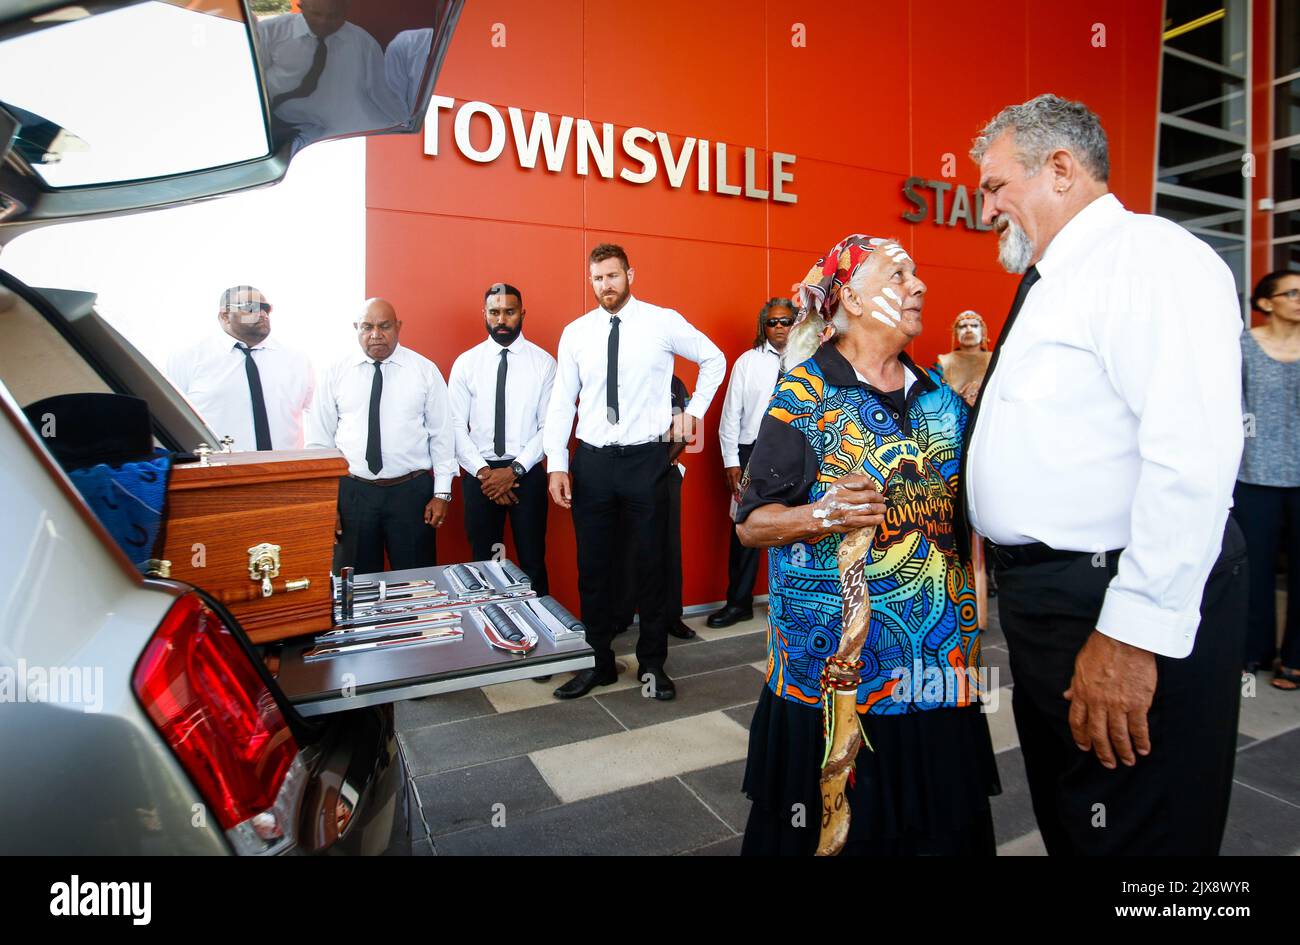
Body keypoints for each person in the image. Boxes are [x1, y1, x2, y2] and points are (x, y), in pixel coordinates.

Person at [962, 94, 1247, 855]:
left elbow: (1192, 455)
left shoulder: (1150, 257)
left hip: (1112, 601)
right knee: (1080, 815)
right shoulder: (1054, 279)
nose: (985, 207)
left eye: (994, 186)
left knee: (1137, 831)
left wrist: (1131, 634)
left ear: (1061, 168)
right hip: (1051, 604)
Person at [736, 234, 996, 856]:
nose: (919, 286)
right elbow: (751, 521)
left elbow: (966, 521)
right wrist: (823, 513)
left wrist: (977, 597)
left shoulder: (939, 399)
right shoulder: (803, 396)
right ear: (850, 297)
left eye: (917, 274)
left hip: (935, 675)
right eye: (897, 275)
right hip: (833, 681)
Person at [544, 243, 725, 701]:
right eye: (597, 278)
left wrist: (692, 414)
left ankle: (652, 666)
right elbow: (563, 402)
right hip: (594, 461)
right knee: (594, 569)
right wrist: (558, 464)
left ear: (630, 275)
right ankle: (599, 663)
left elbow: (714, 359)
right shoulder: (576, 333)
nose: (605, 285)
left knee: (651, 565)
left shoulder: (662, 322)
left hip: (648, 460)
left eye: (612, 275)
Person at [306, 298, 456, 575]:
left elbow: (443, 436)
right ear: (356, 328)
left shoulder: (424, 371)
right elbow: (319, 442)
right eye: (367, 327)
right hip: (353, 493)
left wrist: (442, 494)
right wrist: (324, 503)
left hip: (411, 494)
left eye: (384, 326)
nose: (376, 334)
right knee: (355, 584)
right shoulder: (335, 372)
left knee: (417, 581)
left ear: (398, 327)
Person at [447, 283, 556, 593]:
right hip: (479, 475)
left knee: (533, 560)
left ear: (522, 313)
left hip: (526, 473)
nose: (502, 319)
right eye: (495, 312)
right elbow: (454, 424)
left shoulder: (544, 364)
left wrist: (513, 471)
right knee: (483, 563)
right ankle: (491, 630)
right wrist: (486, 475)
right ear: (484, 314)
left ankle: (544, 630)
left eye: (509, 312)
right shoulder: (466, 363)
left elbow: (550, 426)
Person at [708, 298, 792, 629]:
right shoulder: (747, 362)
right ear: (763, 326)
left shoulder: (810, 361)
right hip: (752, 452)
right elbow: (730, 416)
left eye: (786, 321)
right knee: (744, 528)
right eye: (773, 322)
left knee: (793, 529)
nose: (780, 327)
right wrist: (732, 461)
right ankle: (738, 602)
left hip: (794, 453)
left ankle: (787, 604)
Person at [1236, 270, 1300, 691]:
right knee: (1252, 570)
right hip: (1253, 476)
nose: (1299, 298)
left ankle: (1294, 658)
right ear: (1266, 302)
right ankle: (1251, 652)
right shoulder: (1242, 346)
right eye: (1291, 292)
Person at [166, 285, 314, 451]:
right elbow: (170, 417)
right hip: (218, 470)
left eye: (267, 308)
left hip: (286, 469)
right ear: (225, 316)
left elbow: (318, 416)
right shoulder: (188, 358)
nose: (262, 314)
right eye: (251, 308)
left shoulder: (296, 360)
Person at [257, 0, 404, 150]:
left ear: (346, 11)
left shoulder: (364, 43)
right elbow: (250, 83)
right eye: (316, 14)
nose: (323, 21)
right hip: (280, 123)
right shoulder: (269, 32)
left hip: (342, 129)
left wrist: (404, 123)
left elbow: (380, 92)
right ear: (301, 7)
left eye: (333, 15)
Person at [613, 376, 695, 640]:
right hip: (622, 472)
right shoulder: (618, 377)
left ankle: (671, 616)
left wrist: (657, 466)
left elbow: (685, 433)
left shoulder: (674, 384)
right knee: (624, 545)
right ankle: (621, 614)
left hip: (663, 471)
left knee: (668, 546)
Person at [936, 310, 991, 407]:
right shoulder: (944, 362)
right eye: (962, 326)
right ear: (956, 333)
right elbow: (936, 394)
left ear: (983, 332)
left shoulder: (994, 359)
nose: (969, 329)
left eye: (974, 326)